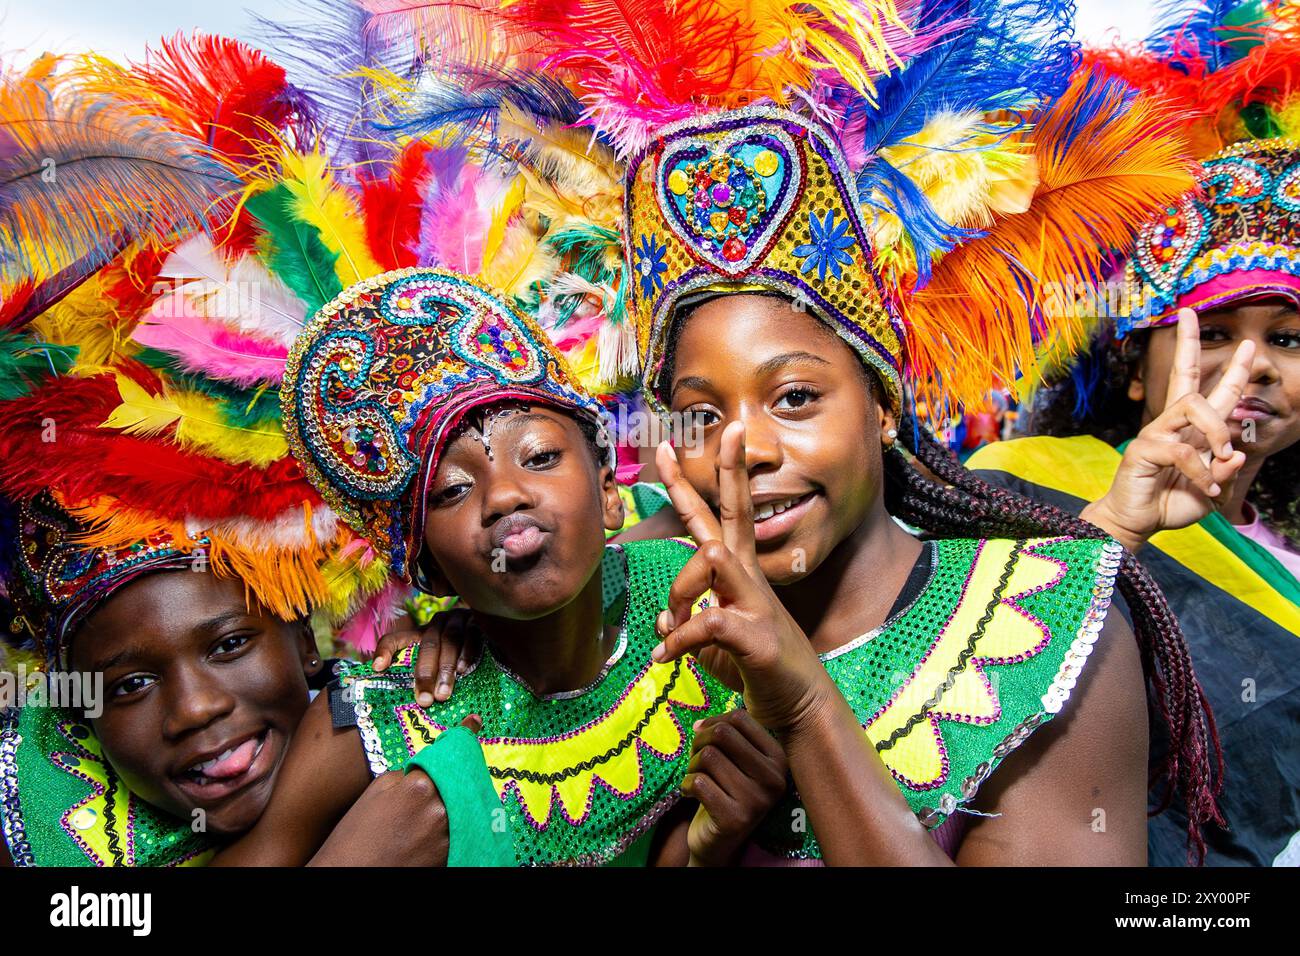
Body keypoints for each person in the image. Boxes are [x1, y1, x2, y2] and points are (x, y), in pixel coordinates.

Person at [375, 0, 1224, 863]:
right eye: (701, 415)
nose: (744, 449)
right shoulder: (658, 610)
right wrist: (448, 625)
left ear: (884, 402)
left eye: (793, 399)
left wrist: (808, 710)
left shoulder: (1039, 625)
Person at [207, 268, 739, 867]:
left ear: (609, 488)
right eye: (453, 490)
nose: (504, 496)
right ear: (426, 569)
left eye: (539, 456)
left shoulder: (701, 593)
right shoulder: (383, 717)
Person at [966, 4, 1300, 864]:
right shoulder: (1021, 476)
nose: (1250, 367)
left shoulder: (1288, 549)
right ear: (1136, 368)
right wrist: (1114, 525)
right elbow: (957, 689)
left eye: (1288, 338)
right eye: (1214, 334)